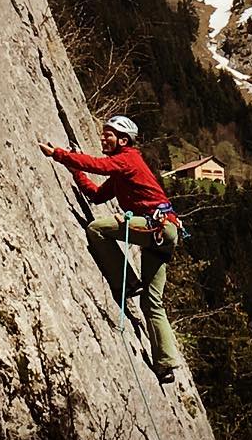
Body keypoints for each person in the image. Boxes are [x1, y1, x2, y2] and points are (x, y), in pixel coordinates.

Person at [39, 115, 182, 382]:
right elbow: (96, 195)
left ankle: (125, 283)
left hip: (155, 226)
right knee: (152, 302)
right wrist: (76, 173)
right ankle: (165, 365)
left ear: (123, 140)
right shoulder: (122, 171)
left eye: (108, 135)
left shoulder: (128, 159)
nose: (103, 138)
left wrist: (59, 155)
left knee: (96, 229)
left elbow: (99, 165)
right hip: (163, 233)